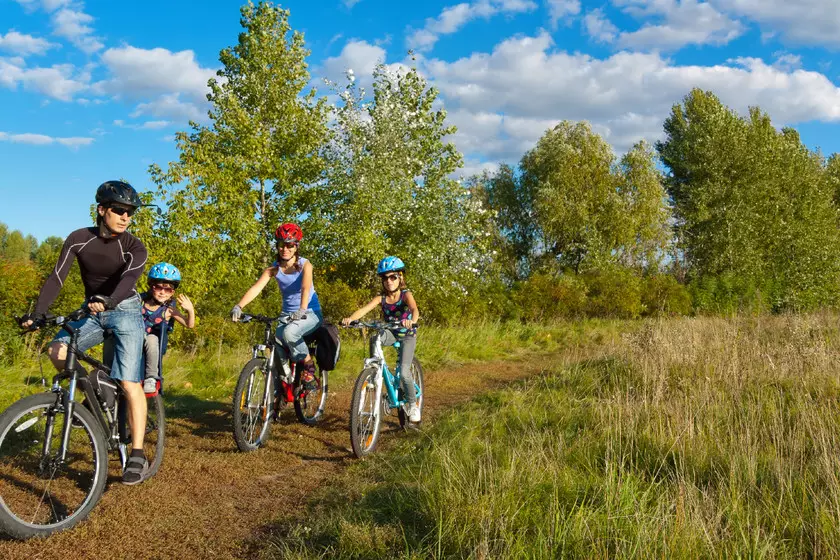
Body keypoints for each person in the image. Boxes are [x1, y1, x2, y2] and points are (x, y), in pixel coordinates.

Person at [19, 180, 151, 485]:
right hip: (91, 308)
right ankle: (92, 391)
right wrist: (38, 314)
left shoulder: (134, 246)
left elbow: (129, 280)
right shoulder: (78, 239)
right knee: (57, 351)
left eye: (130, 212)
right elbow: (57, 277)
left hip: (125, 308)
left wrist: (110, 301)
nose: (126, 217)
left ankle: (137, 453)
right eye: (119, 210)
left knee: (130, 381)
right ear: (101, 209)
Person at [230, 222, 322, 391]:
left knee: (289, 333)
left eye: (289, 245)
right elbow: (256, 288)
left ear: (296, 247)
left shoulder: (305, 265)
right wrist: (239, 306)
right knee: (276, 342)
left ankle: (309, 364)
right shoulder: (273, 269)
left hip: (310, 312)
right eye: (281, 245)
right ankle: (285, 380)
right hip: (286, 315)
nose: (285, 249)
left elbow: (305, 287)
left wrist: (301, 309)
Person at [341, 256, 421, 422]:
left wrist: (411, 321)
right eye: (385, 278)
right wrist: (350, 319)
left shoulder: (406, 295)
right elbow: (364, 310)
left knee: (405, 373)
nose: (389, 281)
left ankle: (413, 405)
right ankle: (374, 368)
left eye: (393, 277)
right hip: (391, 332)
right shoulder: (381, 298)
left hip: (407, 334)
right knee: (375, 337)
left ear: (401, 277)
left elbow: (414, 309)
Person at [141, 262, 196, 394]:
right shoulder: (140, 302)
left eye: (168, 289)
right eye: (158, 287)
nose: (162, 292)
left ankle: (151, 377)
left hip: (153, 342)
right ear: (151, 286)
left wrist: (190, 310)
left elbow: (189, 324)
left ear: (173, 292)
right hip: (133, 337)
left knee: (152, 339)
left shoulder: (169, 310)